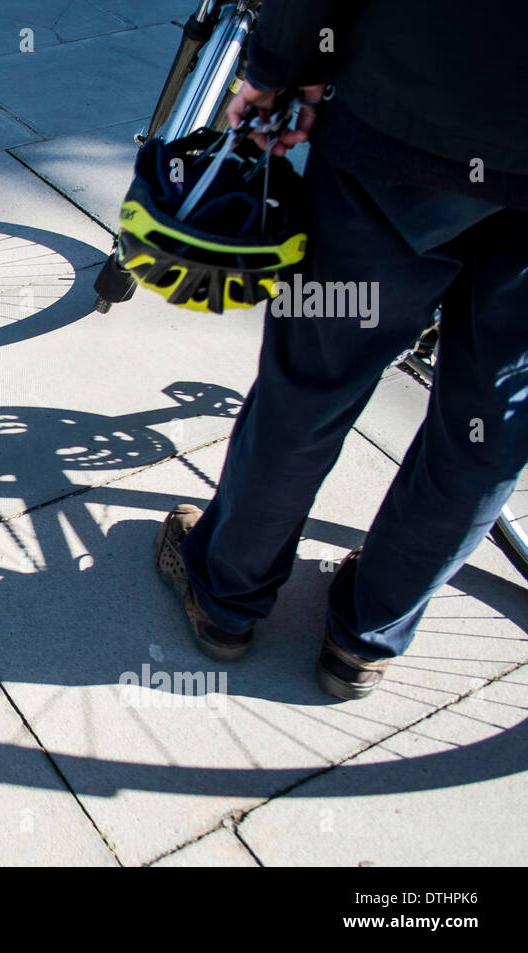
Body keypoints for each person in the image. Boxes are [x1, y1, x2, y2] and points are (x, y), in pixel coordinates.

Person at [153, 0, 528, 698]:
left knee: (312, 382)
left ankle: (226, 599)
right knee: (491, 425)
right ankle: (366, 636)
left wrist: (274, 67)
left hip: (412, 122)